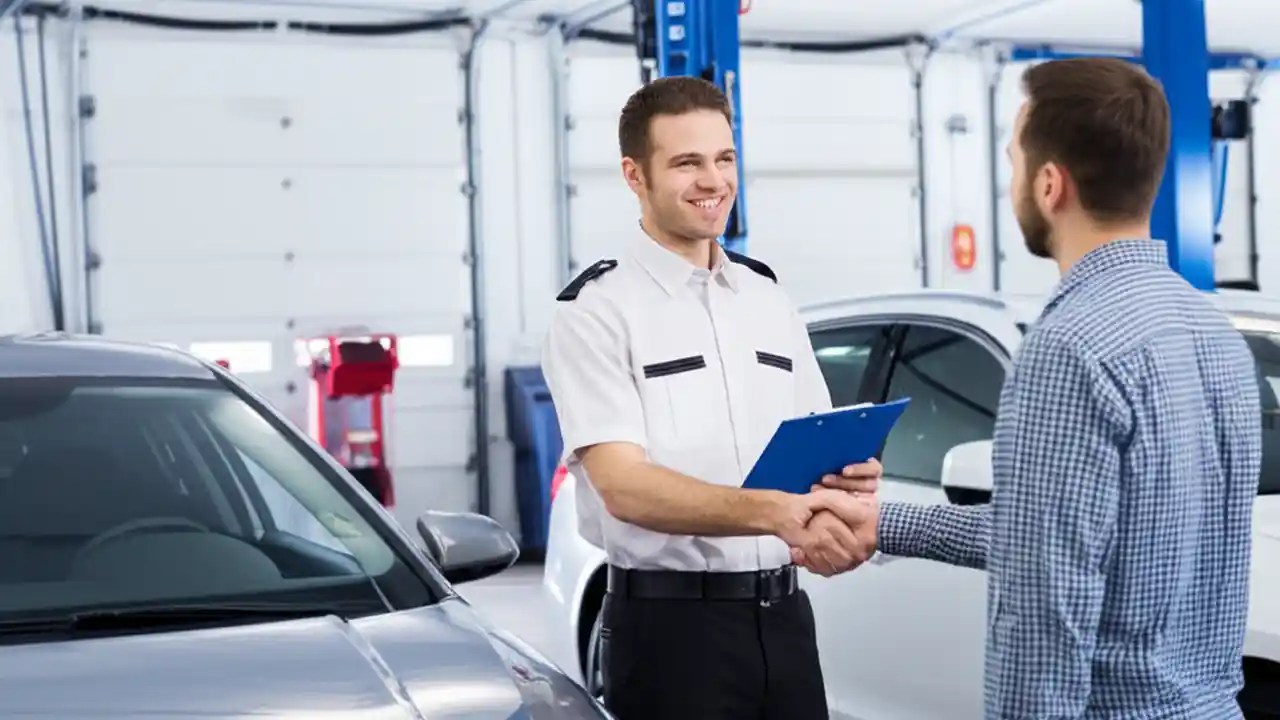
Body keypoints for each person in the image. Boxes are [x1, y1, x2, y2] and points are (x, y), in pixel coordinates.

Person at [811, 57, 1264, 719]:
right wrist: (889, 523)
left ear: (1051, 184)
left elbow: (1044, 607)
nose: (1013, 181)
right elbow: (1071, 533)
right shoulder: (1213, 331)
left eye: (1014, 161)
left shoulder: (1070, 347)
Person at [541, 76, 880, 719]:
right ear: (635, 175)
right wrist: (773, 513)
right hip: (672, 637)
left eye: (724, 158)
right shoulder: (596, 312)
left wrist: (846, 484)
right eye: (687, 163)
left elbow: (814, 442)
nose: (714, 181)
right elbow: (625, 487)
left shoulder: (768, 299)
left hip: (785, 620)